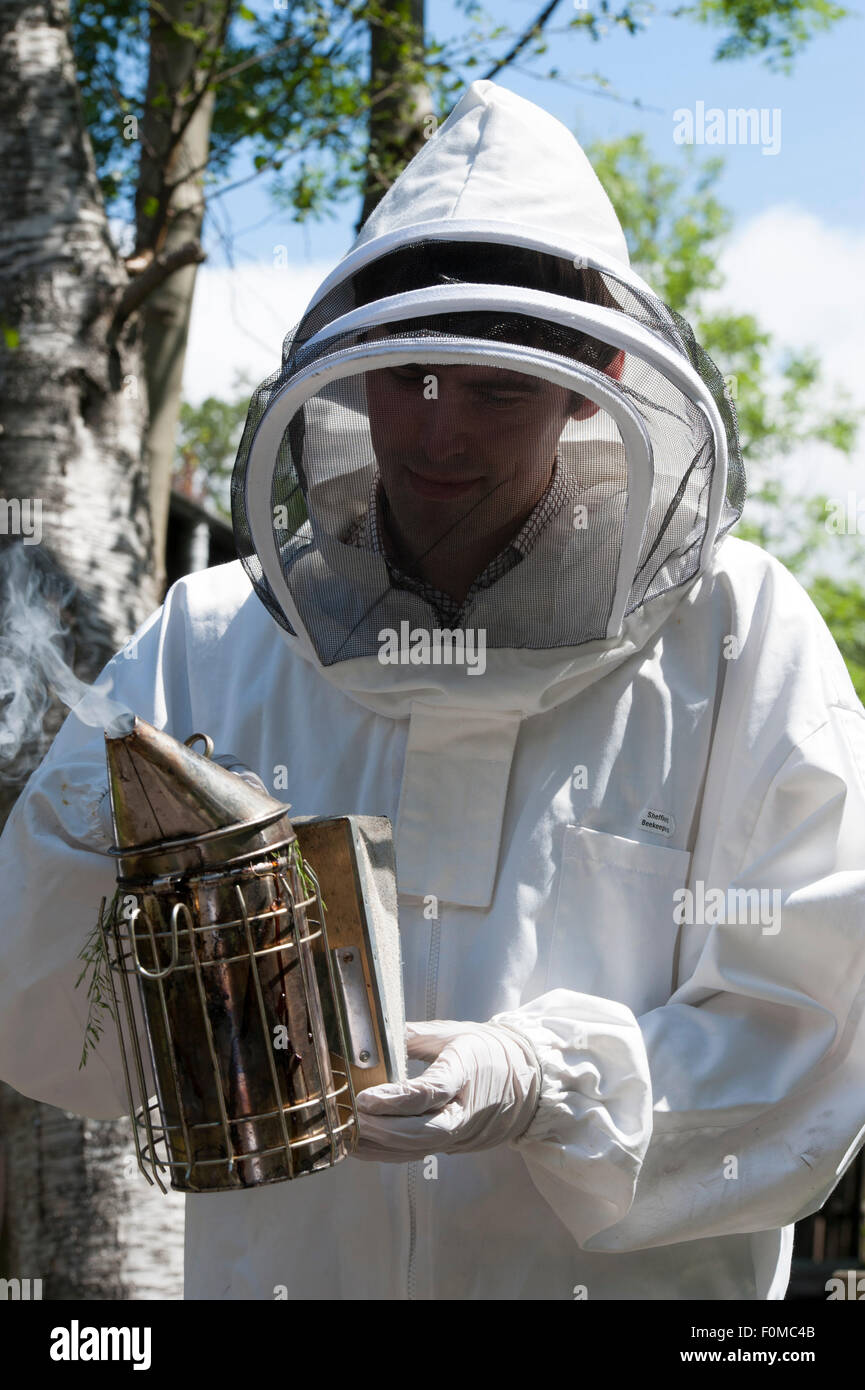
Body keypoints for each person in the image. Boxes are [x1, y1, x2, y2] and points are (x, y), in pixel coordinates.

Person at [1, 78, 864, 1302]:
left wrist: (543, 1080)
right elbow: (42, 1015)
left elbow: (819, 1034)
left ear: (594, 378)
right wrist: (132, 881)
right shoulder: (211, 635)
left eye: (496, 388)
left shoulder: (738, 635)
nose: (436, 433)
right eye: (406, 374)